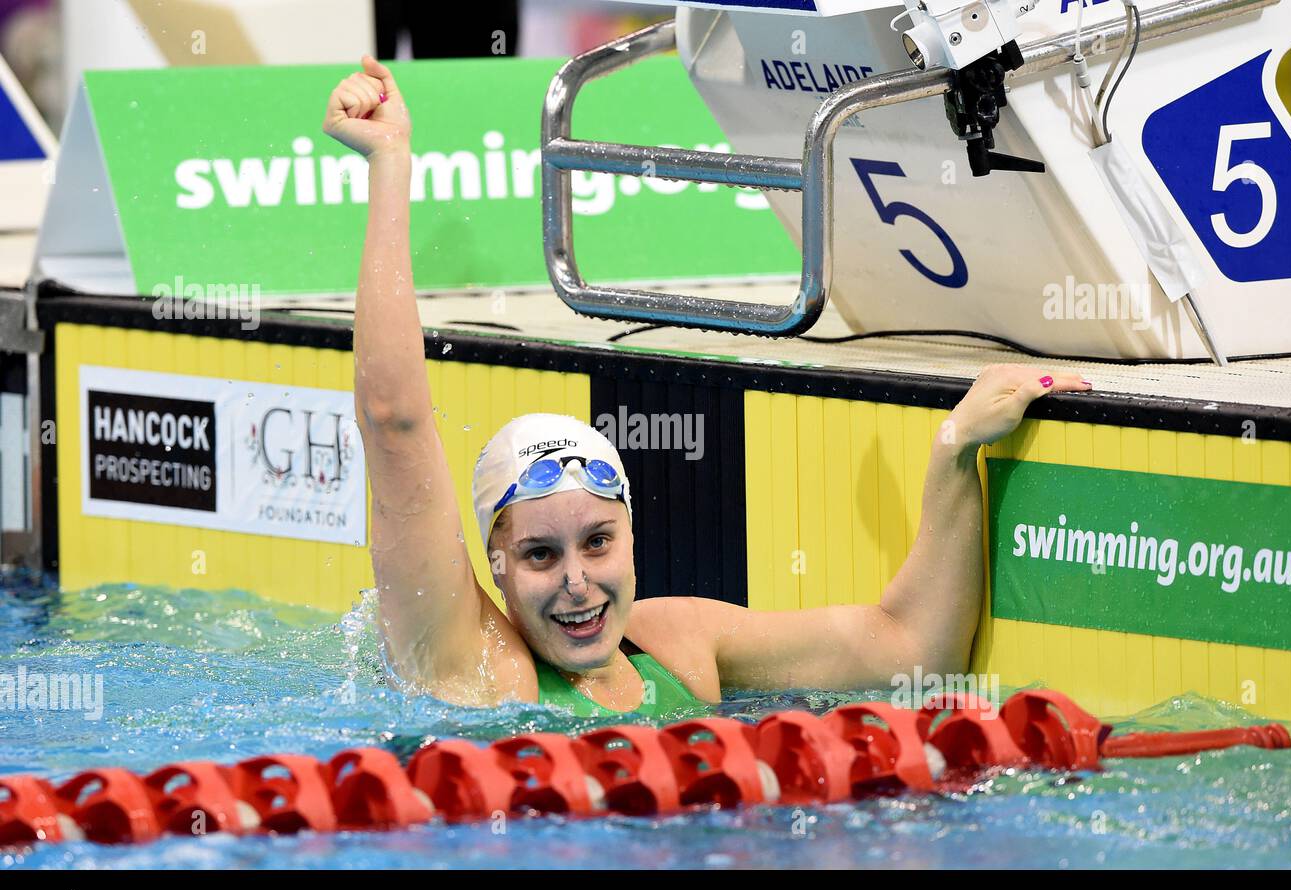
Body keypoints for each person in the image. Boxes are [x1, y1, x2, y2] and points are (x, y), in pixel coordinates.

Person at [323, 57, 1093, 718]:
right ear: (493, 565)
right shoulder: (481, 669)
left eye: (598, 541)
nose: (577, 584)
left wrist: (954, 452)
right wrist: (391, 163)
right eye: (537, 556)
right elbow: (394, 422)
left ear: (631, 534)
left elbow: (912, 650)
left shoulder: (681, 645)